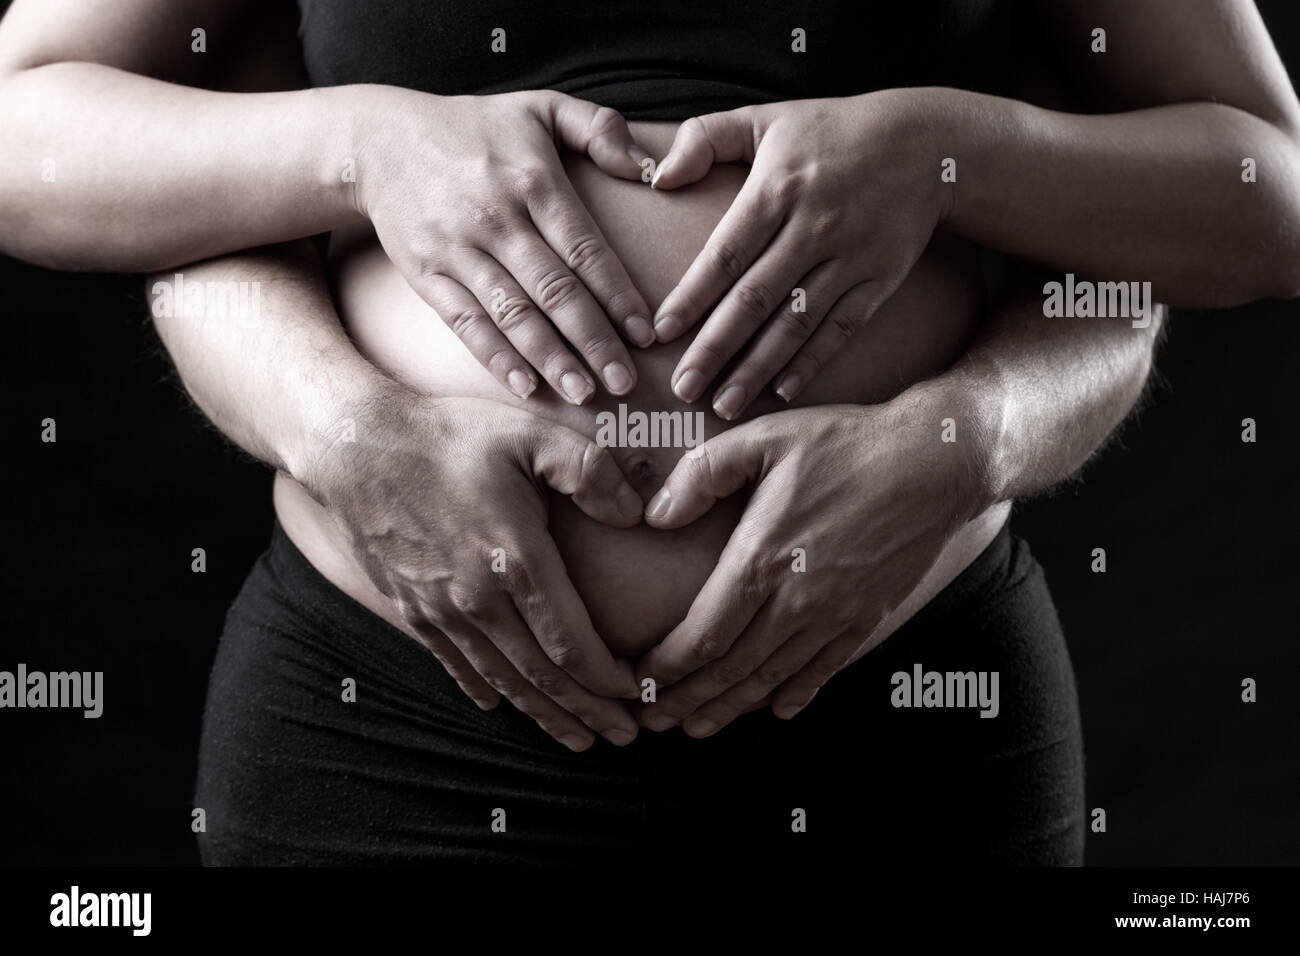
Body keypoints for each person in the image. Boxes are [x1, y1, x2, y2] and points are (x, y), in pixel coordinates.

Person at [1, 0, 1296, 864]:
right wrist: (359, 147)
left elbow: (1266, 192)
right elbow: (25, 127)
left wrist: (963, 152)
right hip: (389, 715)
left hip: (902, 714)